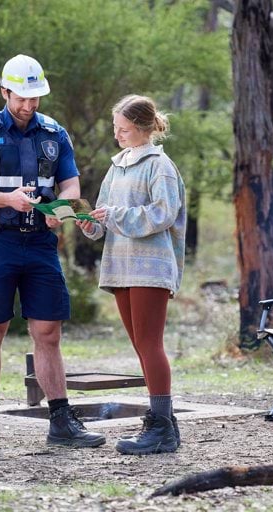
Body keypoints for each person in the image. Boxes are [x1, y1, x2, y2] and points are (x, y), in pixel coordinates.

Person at [0, 54, 105, 450]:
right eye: (21, 97)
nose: (28, 105)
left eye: (35, 97)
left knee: (48, 332)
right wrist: (7, 199)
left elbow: (70, 185)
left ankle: (61, 420)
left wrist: (62, 211)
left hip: (41, 244)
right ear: (4, 91)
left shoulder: (55, 133)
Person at [77, 94, 186, 455]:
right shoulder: (117, 165)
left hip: (151, 266)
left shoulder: (160, 166)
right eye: (115, 128)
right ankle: (165, 423)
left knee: (151, 345)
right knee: (141, 345)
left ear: (142, 128)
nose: (118, 134)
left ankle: (160, 428)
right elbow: (105, 217)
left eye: (123, 129)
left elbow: (163, 214)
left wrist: (117, 216)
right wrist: (85, 221)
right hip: (121, 266)